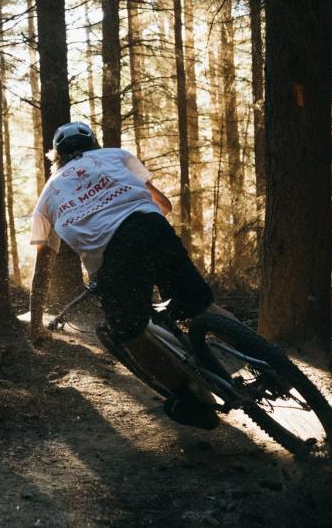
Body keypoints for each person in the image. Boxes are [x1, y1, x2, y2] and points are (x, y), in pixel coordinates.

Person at [28, 121, 220, 428]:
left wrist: (36, 323)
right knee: (200, 304)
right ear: (94, 143)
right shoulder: (115, 156)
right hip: (151, 227)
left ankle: (190, 400)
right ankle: (270, 364)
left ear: (56, 158)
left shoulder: (48, 195)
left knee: (129, 332)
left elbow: (42, 267)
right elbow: (165, 205)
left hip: (114, 258)